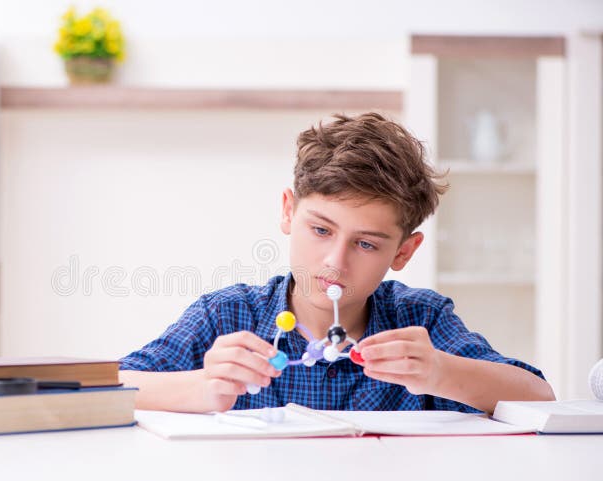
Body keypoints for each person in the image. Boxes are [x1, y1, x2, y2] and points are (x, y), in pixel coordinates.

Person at [119, 112, 555, 414]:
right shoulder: (227, 315)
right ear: (288, 212)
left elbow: (539, 398)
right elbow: (109, 386)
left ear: (403, 252)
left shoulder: (420, 319)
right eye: (321, 230)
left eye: (365, 244)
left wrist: (441, 371)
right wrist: (198, 387)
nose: (334, 261)